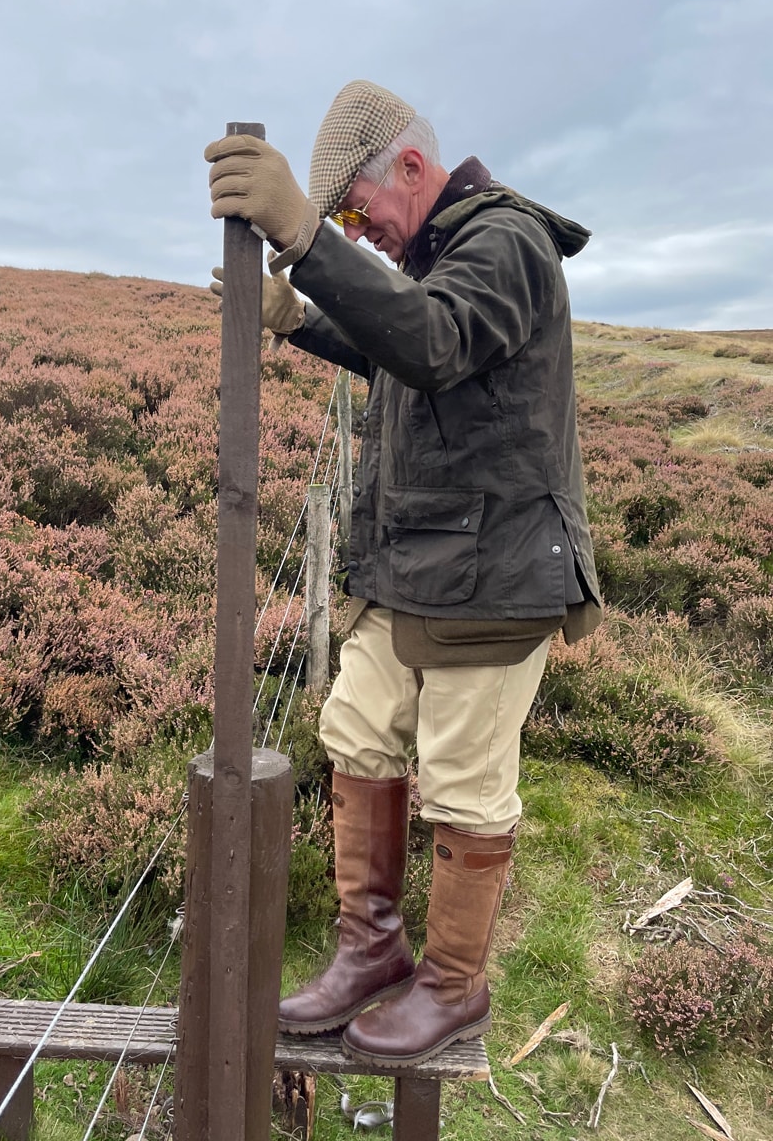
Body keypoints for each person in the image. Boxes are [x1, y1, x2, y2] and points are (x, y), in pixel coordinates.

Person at [204, 80, 602, 1068]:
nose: (358, 230)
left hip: (498, 573)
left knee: (465, 784)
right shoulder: (437, 258)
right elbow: (398, 348)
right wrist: (300, 316)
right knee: (356, 730)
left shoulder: (505, 244)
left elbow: (429, 342)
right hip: (415, 566)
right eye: (338, 215)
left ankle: (453, 986)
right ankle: (370, 951)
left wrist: (300, 231)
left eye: (356, 208)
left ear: (412, 171)